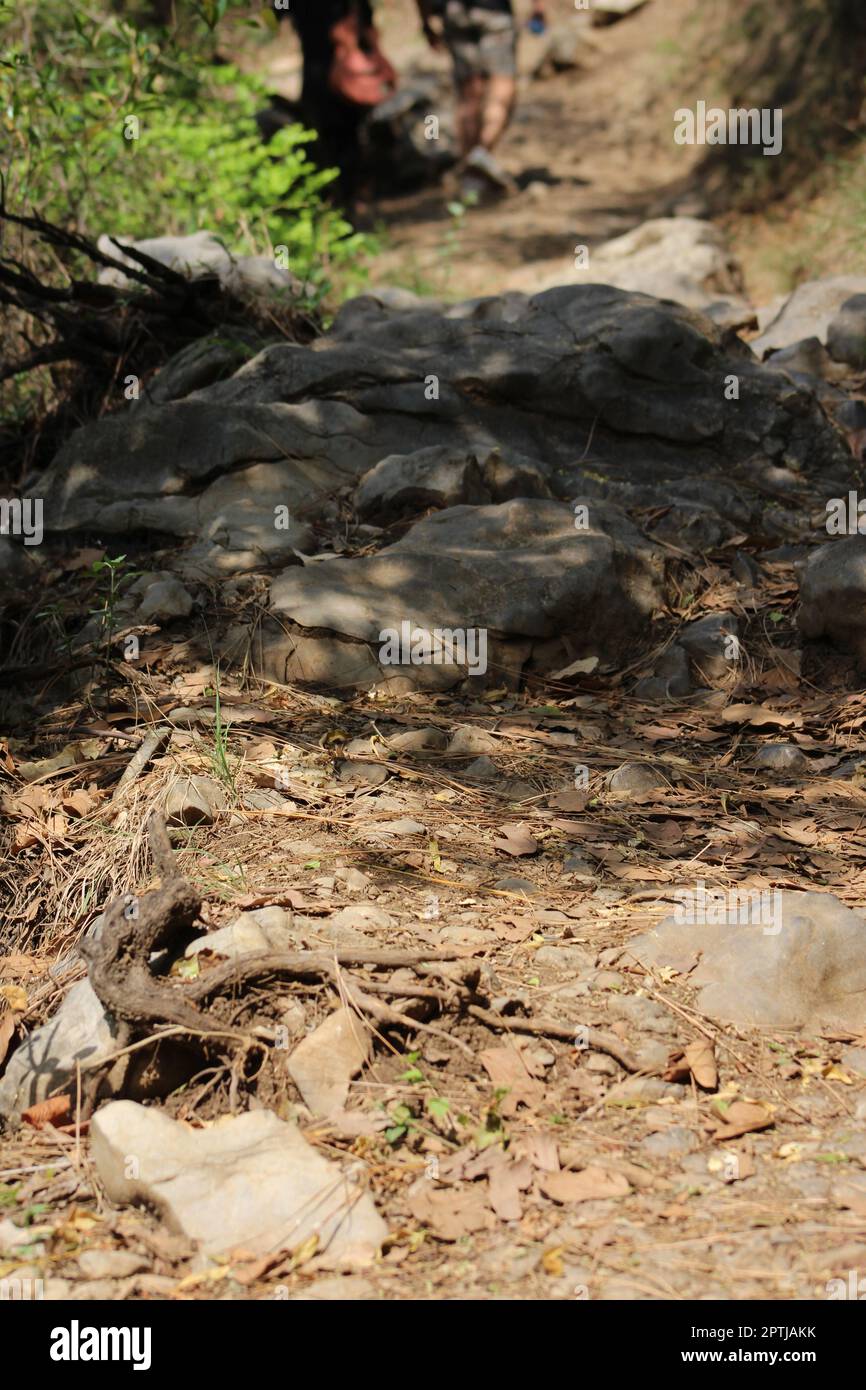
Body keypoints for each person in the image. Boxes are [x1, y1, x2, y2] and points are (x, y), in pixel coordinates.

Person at [416, 0, 546, 196]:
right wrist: (538, 9)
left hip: (454, 16)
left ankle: (472, 174)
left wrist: (425, 20)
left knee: (469, 93)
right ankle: (481, 154)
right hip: (494, 12)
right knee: (503, 83)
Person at [273, 0, 378, 211]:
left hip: (335, 72)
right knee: (343, 136)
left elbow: (278, 13)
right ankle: (343, 197)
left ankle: (342, 198)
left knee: (336, 136)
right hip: (331, 72)